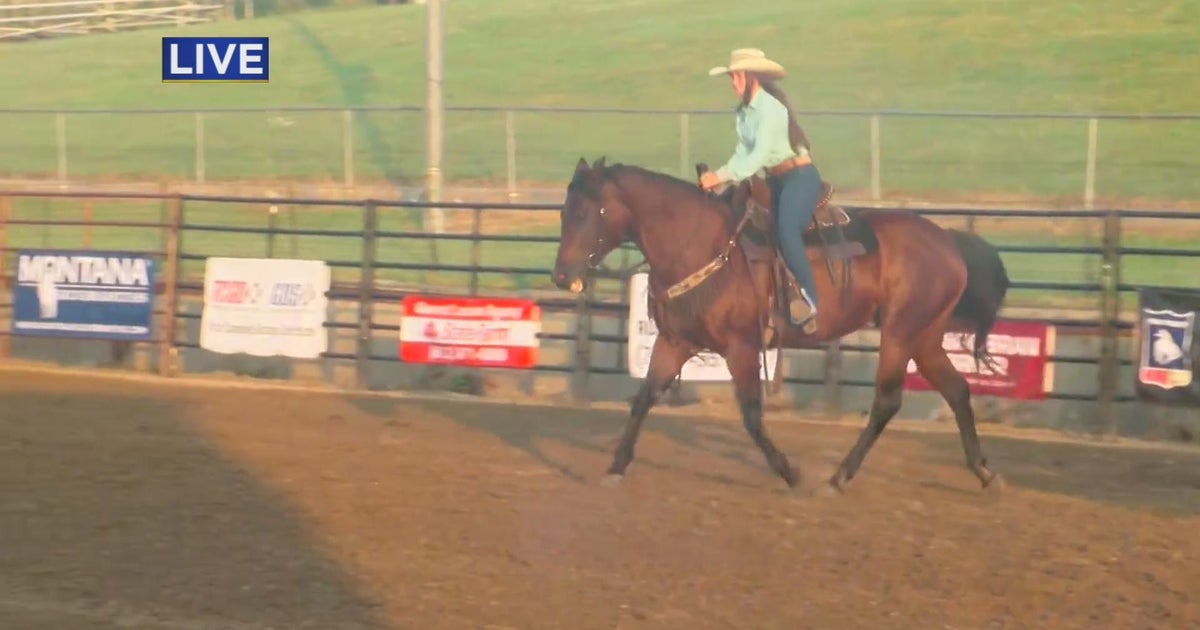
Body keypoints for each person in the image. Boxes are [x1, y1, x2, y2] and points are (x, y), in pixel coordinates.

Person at [699, 48, 822, 331]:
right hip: (776, 179)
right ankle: (770, 305)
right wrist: (721, 175)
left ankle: (811, 299)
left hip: (799, 177)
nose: (732, 82)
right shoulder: (743, 112)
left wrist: (719, 177)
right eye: (731, 77)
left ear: (751, 77)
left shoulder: (771, 110)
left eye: (736, 76)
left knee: (787, 229)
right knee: (753, 229)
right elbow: (742, 152)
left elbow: (757, 157)